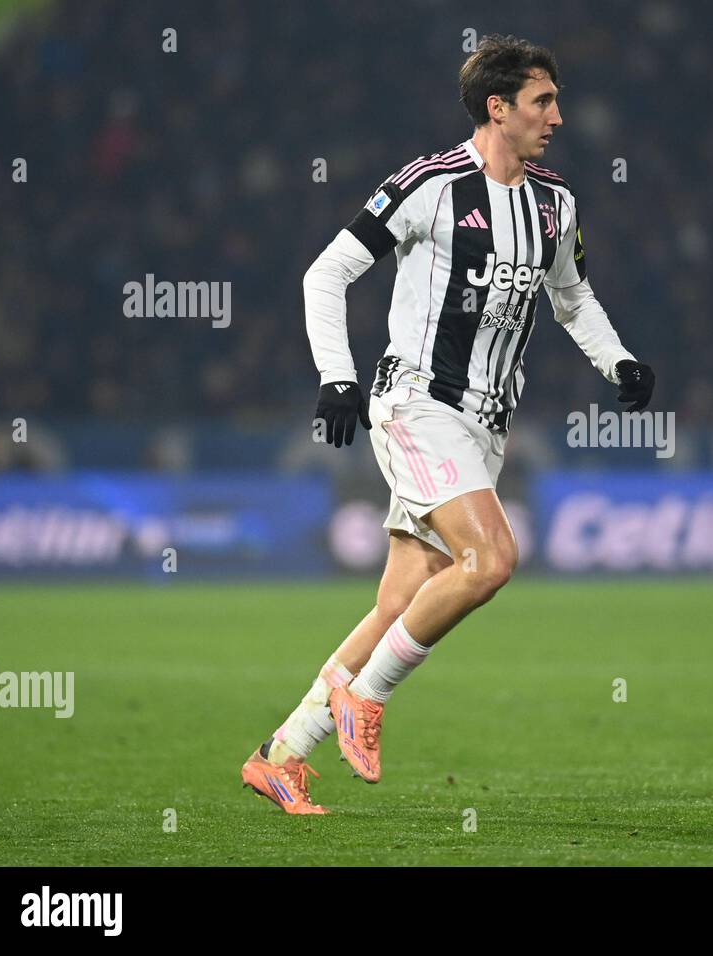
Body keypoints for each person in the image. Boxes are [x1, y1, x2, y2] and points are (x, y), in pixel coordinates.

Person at [241, 34, 654, 813]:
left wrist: (618, 361)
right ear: (498, 108)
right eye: (543, 101)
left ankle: (282, 754)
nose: (558, 117)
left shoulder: (555, 203)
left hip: (484, 426)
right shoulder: (428, 187)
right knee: (492, 559)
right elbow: (326, 272)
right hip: (417, 405)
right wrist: (338, 377)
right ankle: (369, 698)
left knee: (400, 608)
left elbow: (572, 299)